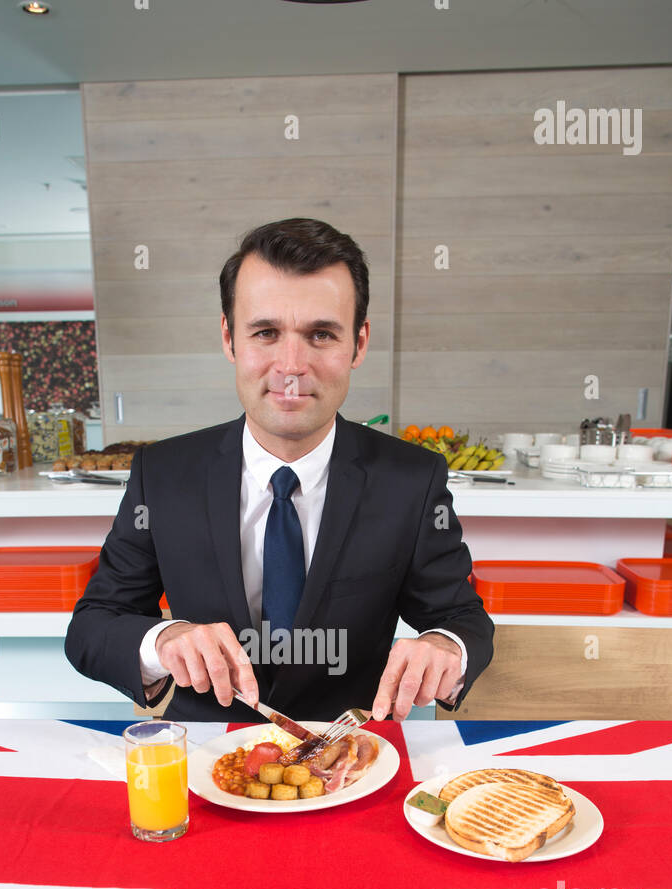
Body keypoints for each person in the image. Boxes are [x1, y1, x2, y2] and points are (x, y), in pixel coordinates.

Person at [65, 218, 494, 722]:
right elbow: (93, 626)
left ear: (358, 343)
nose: (291, 366)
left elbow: (461, 617)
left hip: (352, 761)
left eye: (321, 334)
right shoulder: (162, 474)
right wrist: (163, 639)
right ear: (229, 339)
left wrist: (444, 646)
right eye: (265, 332)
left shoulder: (412, 479)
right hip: (207, 758)